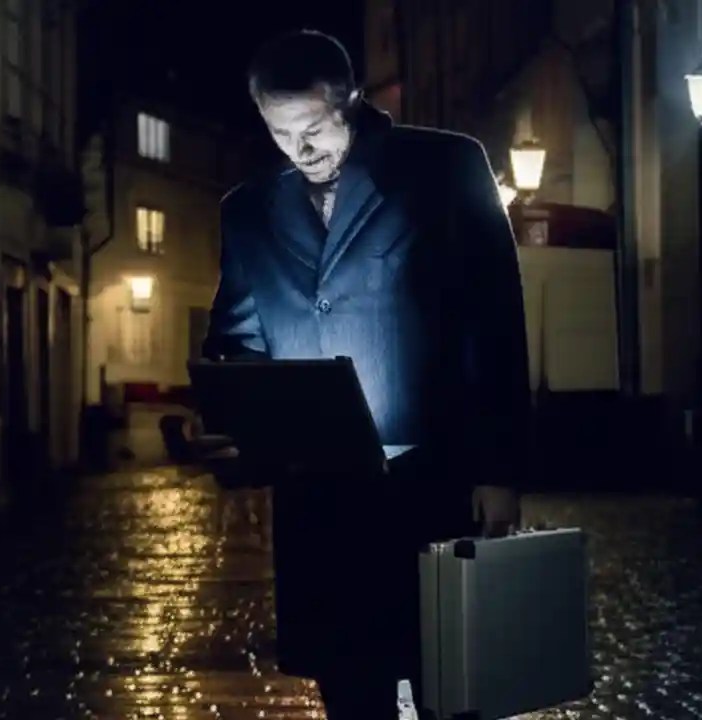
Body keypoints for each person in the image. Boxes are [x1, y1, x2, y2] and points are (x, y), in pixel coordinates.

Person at [202, 29, 532, 720]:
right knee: (349, 692)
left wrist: (500, 470)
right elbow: (237, 339)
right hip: (318, 500)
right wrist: (236, 425)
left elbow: (493, 324)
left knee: (451, 686)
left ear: (350, 101)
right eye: (280, 132)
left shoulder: (444, 170)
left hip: (432, 485)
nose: (301, 150)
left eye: (315, 128)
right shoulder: (249, 212)